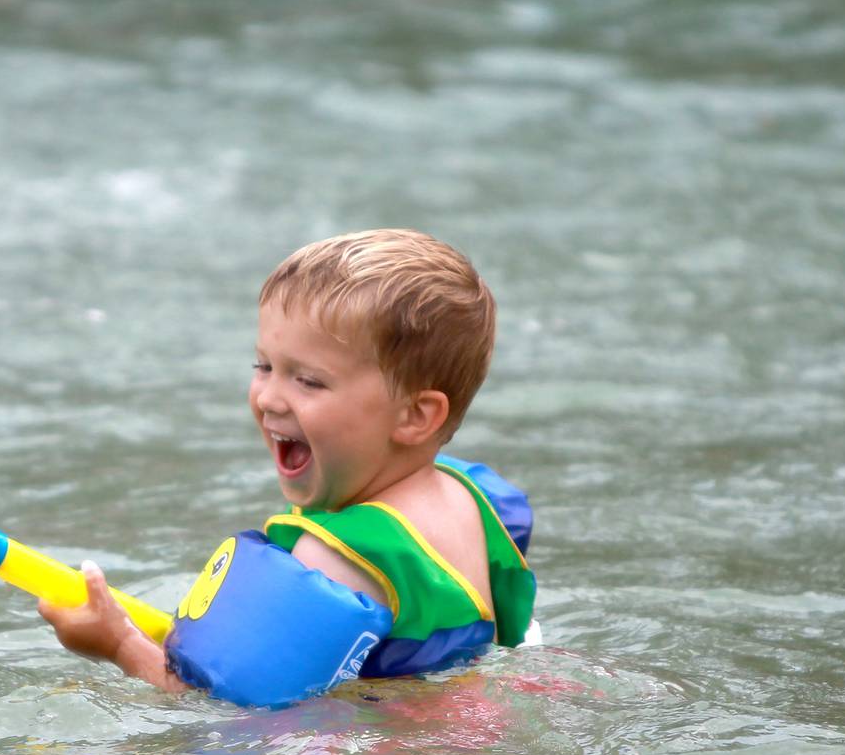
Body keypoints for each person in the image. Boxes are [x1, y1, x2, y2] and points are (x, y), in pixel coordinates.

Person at [40, 229, 535, 699]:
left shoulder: (335, 560)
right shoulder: (468, 496)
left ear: (415, 415)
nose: (270, 398)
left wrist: (117, 644)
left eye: (309, 381)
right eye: (264, 367)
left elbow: (217, 708)